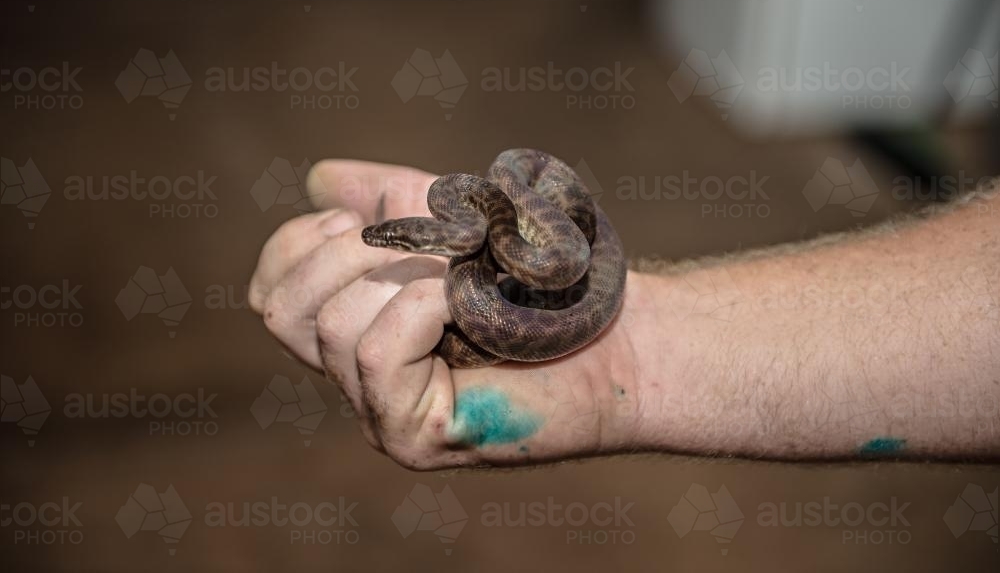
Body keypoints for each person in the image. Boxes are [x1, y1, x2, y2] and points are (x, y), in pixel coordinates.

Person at [249, 159, 999, 469]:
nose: (387, 242)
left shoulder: (485, 217)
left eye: (391, 239)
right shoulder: (461, 207)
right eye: (388, 240)